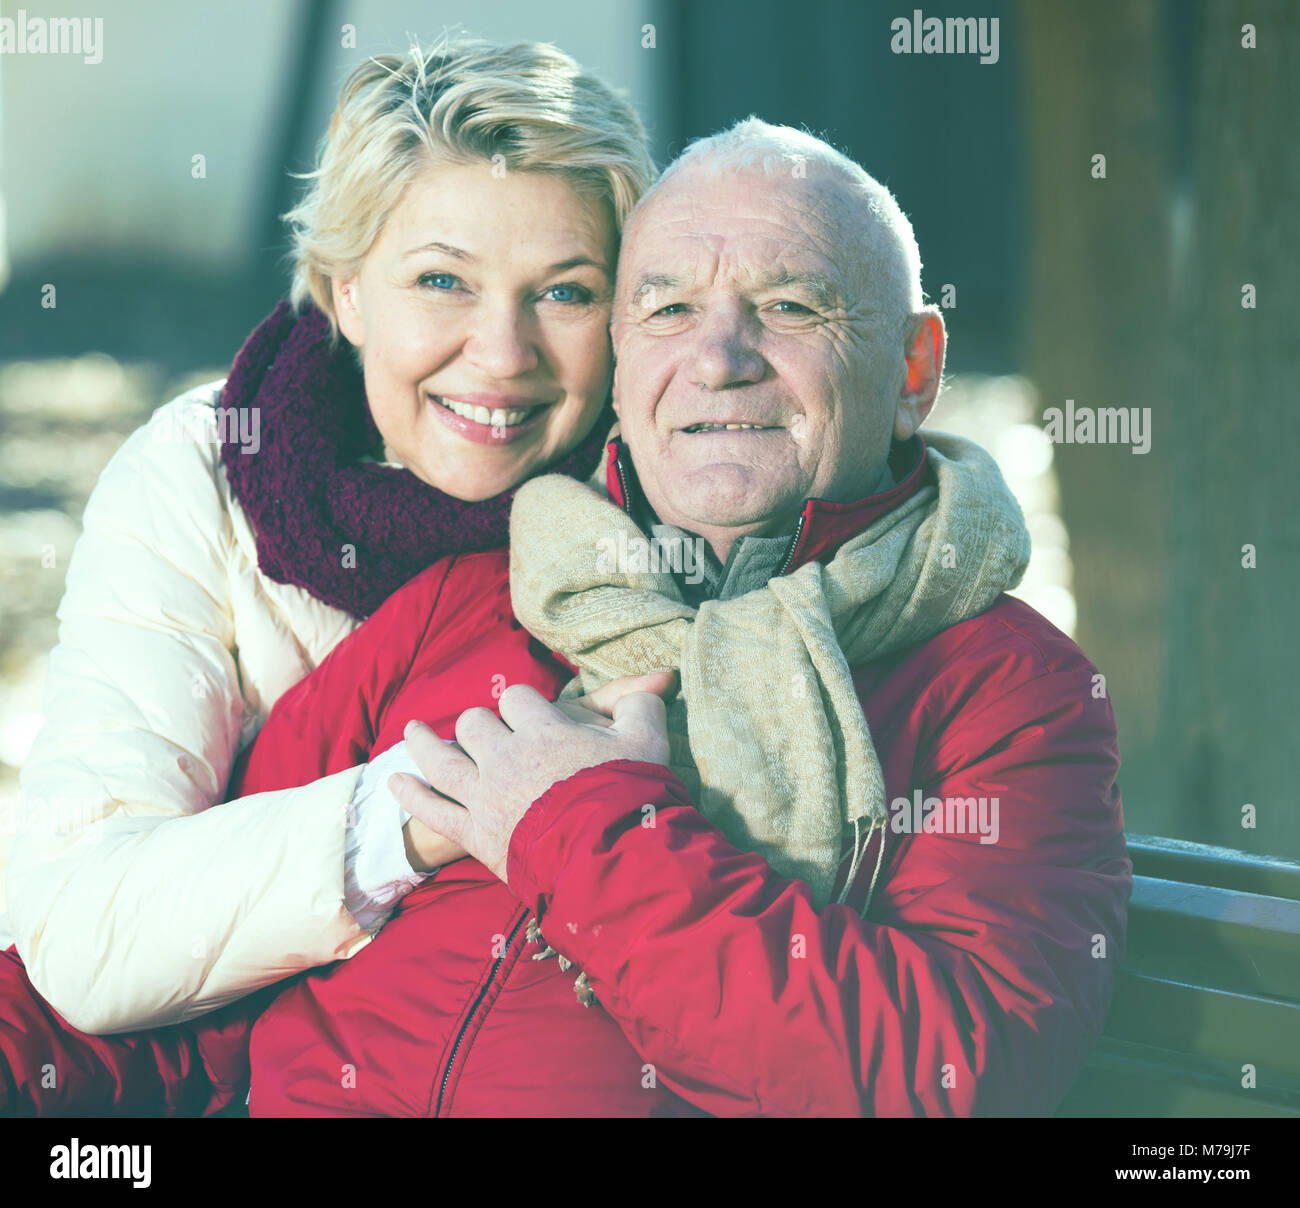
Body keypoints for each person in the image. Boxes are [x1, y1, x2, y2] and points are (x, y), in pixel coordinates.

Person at [226, 117, 1132, 1116]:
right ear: (617, 358)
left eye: (789, 305)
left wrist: (583, 825)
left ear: (914, 369)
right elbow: (222, 914)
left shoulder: (1006, 689)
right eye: (666, 308)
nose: (718, 359)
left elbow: (951, 1075)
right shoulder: (476, 592)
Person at [0, 36, 653, 1115]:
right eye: (441, 279)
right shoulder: (204, 474)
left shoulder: (665, 519)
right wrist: (415, 814)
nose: (501, 352)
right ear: (346, 291)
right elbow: (84, 926)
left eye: (565, 292)